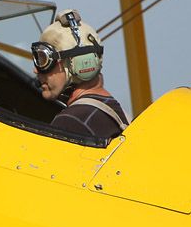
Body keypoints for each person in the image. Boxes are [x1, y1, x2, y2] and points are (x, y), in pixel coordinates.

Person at [31, 9, 129, 139]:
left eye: (43, 60)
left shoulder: (71, 122)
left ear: (73, 65)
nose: (36, 70)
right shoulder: (117, 111)